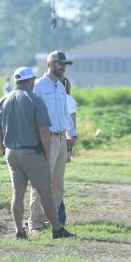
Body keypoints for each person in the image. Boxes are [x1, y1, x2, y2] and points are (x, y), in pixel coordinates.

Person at [0, 66, 74, 240]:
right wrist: (46, 152)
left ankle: (19, 231)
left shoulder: (2, 100)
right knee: (45, 192)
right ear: (29, 81)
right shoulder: (34, 99)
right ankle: (57, 229)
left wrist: (3, 149)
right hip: (32, 152)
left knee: (17, 193)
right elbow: (44, 130)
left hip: (12, 153)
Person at [28, 51, 76, 231]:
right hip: (46, 139)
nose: (63, 67)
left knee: (58, 184)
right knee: (41, 182)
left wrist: (71, 134)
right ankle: (35, 221)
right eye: (60, 63)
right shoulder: (38, 86)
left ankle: (52, 220)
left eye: (65, 64)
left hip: (61, 139)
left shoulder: (61, 87)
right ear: (50, 64)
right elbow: (31, 113)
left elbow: (65, 113)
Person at [57, 76, 78, 226]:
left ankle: (59, 216)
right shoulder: (65, 98)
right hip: (59, 140)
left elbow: (72, 123)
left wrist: (69, 148)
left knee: (56, 179)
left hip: (62, 140)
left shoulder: (67, 99)